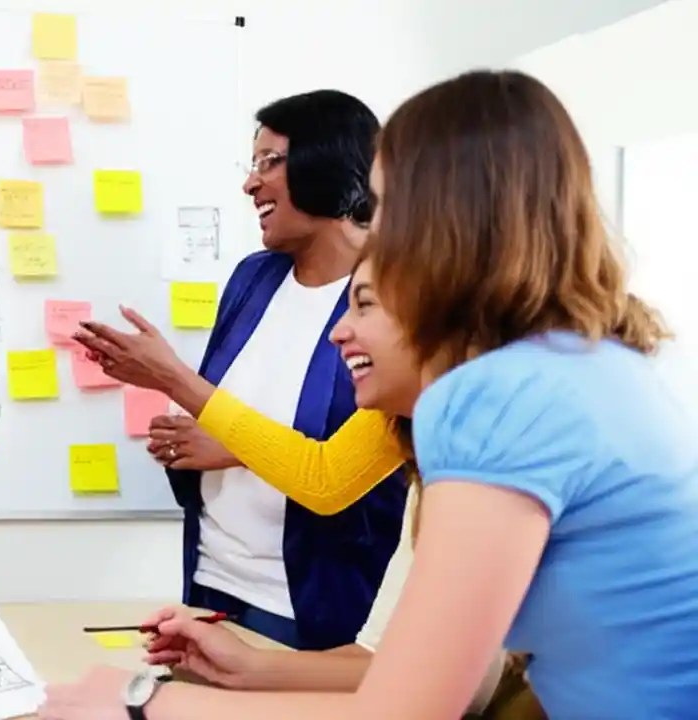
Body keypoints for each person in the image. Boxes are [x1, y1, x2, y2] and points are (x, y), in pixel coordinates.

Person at [40, 69, 698, 719]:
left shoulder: (493, 398)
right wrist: (250, 668)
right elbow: (458, 676)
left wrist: (140, 702)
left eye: (385, 203)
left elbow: (409, 706)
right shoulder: (589, 367)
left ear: (441, 221)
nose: (373, 226)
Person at [73, 90, 406, 651]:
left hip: (306, 600)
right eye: (253, 165)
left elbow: (348, 463)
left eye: (270, 162)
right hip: (211, 580)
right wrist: (190, 435)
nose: (251, 184)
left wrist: (188, 395)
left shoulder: (395, 297)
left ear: (327, 162)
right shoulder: (254, 278)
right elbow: (219, 408)